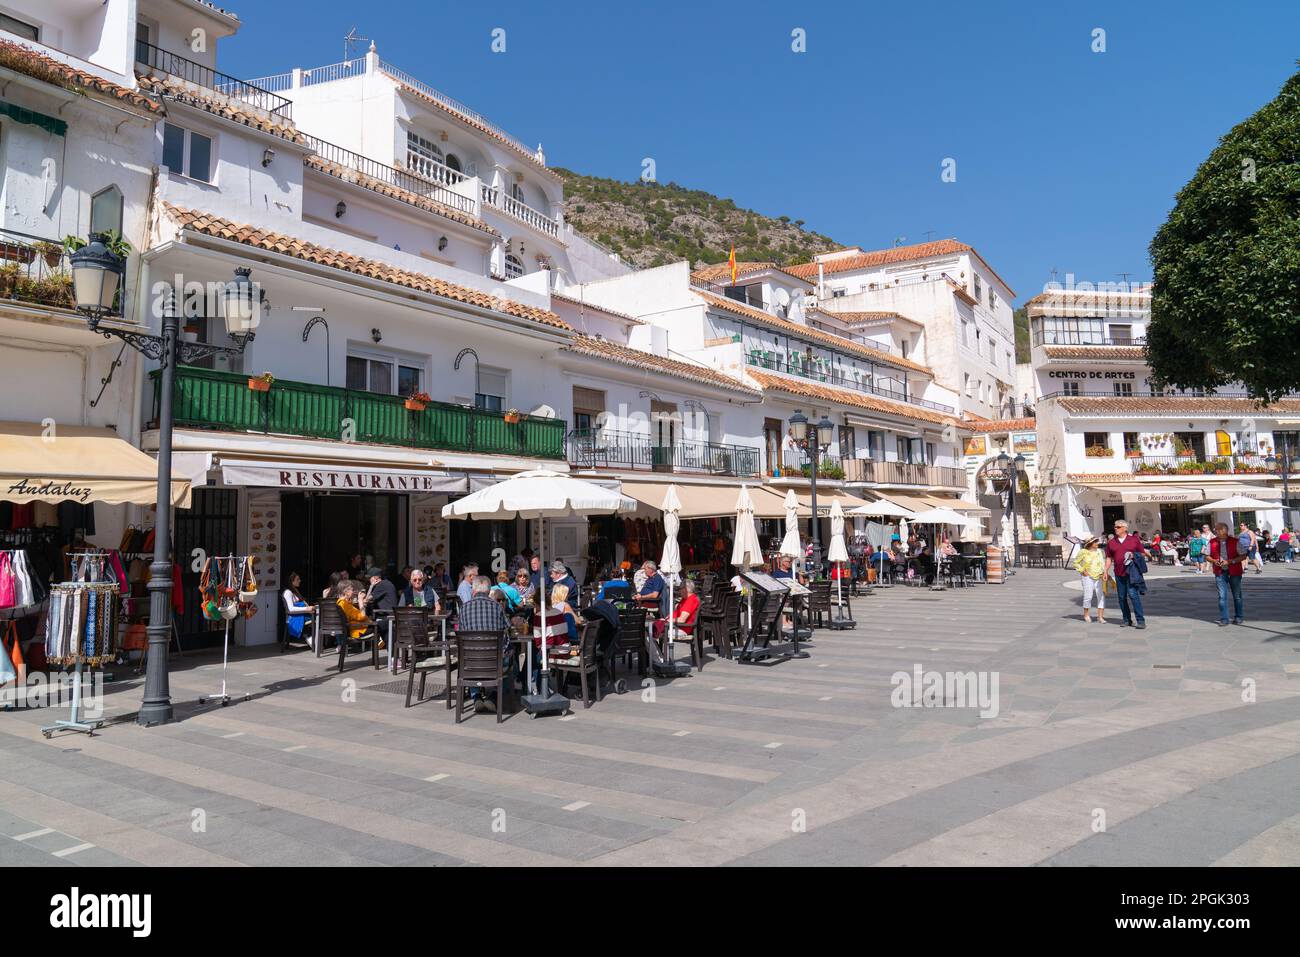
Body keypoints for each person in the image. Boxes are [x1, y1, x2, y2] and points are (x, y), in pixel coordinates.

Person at [455, 575, 513, 707]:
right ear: (488, 592)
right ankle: (493, 695)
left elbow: (462, 633)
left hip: (470, 663)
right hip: (494, 662)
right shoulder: (497, 607)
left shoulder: (463, 608)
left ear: (473, 591)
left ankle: (476, 696)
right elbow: (507, 628)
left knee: (471, 653)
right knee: (509, 656)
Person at [1104, 519, 1147, 629]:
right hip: (1118, 573)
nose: (1115, 528)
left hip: (1132, 573)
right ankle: (1127, 620)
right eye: (1115, 527)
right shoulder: (1111, 542)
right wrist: (1105, 571)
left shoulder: (1134, 540)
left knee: (1133, 595)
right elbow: (1109, 558)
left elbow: (1142, 553)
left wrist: (1134, 555)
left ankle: (1140, 621)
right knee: (1121, 597)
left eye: (1118, 527)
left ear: (1125, 528)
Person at [1209, 522, 1245, 625]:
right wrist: (1214, 561)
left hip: (1234, 571)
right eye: (1215, 529)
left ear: (1224, 530)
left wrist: (1230, 561)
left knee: (1237, 595)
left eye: (1218, 529)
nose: (1216, 531)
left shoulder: (1235, 541)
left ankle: (1238, 616)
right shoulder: (1212, 542)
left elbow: (1243, 555)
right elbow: (1206, 555)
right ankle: (1224, 618)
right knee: (1222, 596)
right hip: (1220, 572)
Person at [1071, 537, 1106, 623]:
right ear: (1090, 543)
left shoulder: (1099, 551)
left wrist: (1104, 572)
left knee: (1101, 596)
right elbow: (1075, 562)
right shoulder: (1083, 552)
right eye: (1095, 542)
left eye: (1097, 541)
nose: (1097, 543)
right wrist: (1082, 570)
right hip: (1088, 577)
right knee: (1088, 596)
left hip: (1099, 576)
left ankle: (1100, 617)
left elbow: (1102, 563)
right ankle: (1086, 614)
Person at [282, 572, 315, 645]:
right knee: (315, 621)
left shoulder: (295, 591)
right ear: (291, 581)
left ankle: (313, 639)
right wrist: (306, 609)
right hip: (294, 617)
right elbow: (290, 609)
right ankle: (309, 637)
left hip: (302, 616)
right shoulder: (288, 592)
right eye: (297, 579)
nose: (300, 580)